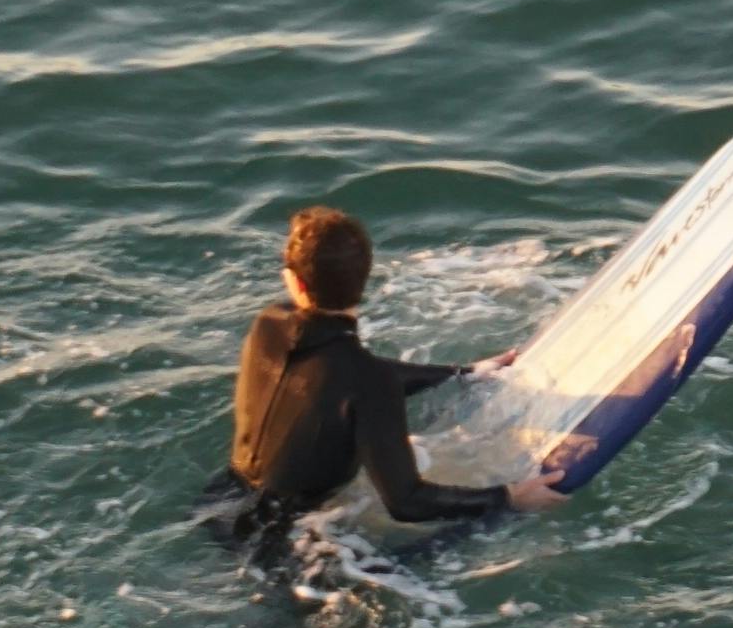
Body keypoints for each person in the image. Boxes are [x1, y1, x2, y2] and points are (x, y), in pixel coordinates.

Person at [197, 204, 562, 543]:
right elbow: (406, 502)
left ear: (296, 283)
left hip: (218, 506)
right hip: (281, 539)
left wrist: (463, 373)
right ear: (365, 277)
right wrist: (509, 496)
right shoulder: (366, 380)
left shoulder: (268, 326)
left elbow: (337, 378)